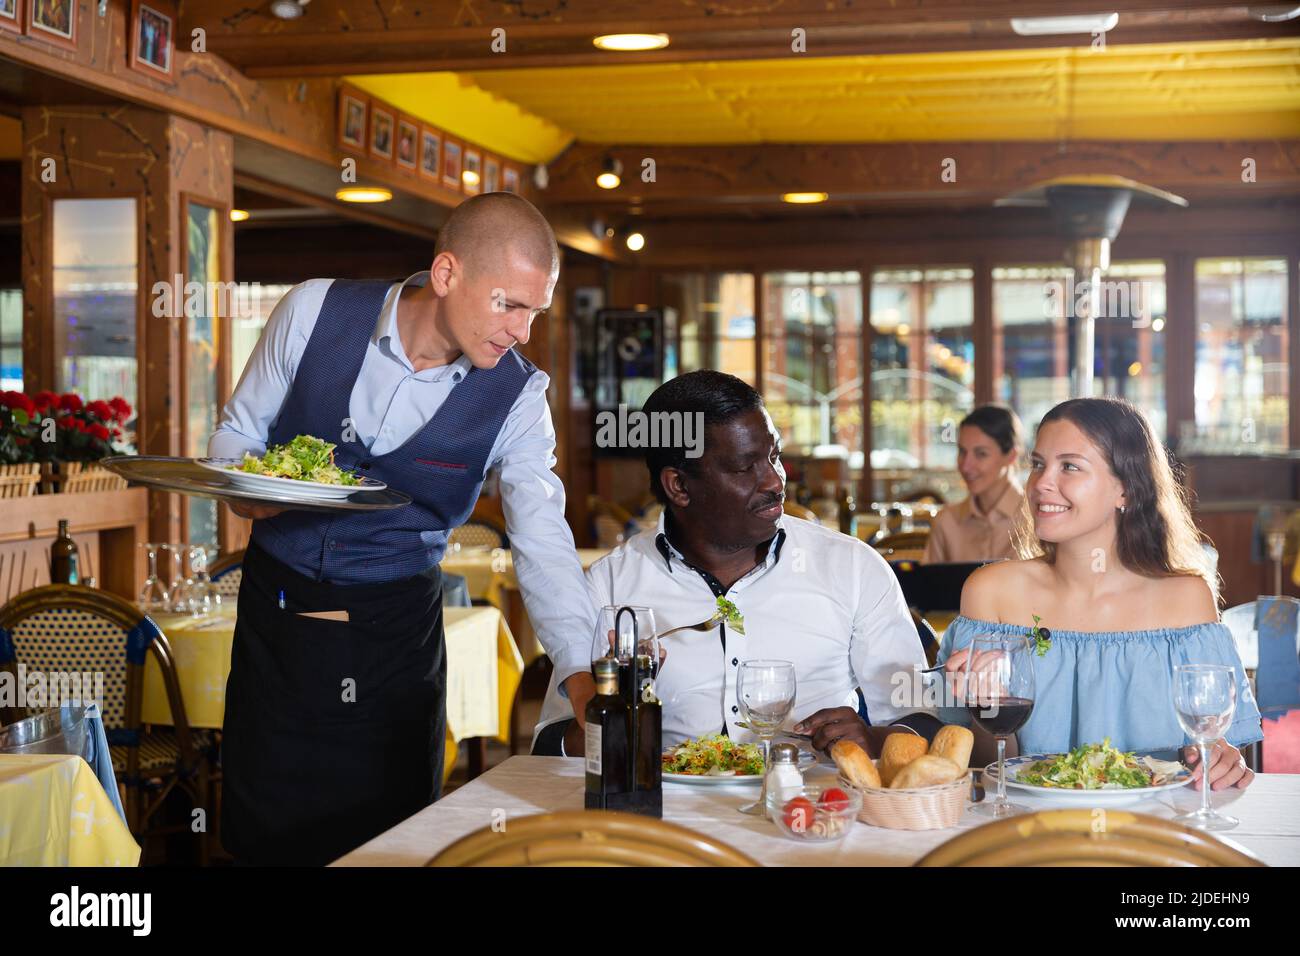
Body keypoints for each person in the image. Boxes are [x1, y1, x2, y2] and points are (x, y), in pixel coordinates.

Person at [211, 192, 596, 864]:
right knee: (260, 834)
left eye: (536, 310)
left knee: (389, 840)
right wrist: (247, 490)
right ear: (447, 275)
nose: (523, 331)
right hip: (278, 622)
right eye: (510, 303)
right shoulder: (313, 310)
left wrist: (581, 670)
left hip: (393, 639)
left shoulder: (519, 398)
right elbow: (236, 436)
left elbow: (542, 541)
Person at [533, 370, 939, 758]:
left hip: (813, 813)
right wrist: (605, 715)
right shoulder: (610, 587)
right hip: (665, 815)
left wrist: (872, 737)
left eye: (774, 456)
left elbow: (924, 717)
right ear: (679, 486)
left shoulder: (852, 567)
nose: (775, 481)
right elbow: (547, 747)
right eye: (746, 467)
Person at [939, 397, 1261, 790]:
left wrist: (1222, 760)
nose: (1041, 484)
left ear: (1125, 489)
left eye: (1069, 466)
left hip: (1156, 828)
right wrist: (983, 708)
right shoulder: (991, 593)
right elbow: (982, 764)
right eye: (1038, 464)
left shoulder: (1187, 599)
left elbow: (1210, 750)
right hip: (1029, 831)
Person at [922, 405, 1025, 563]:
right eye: (962, 452)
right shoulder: (947, 521)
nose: (965, 466)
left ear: (1011, 456)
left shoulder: (1036, 520)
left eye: (981, 454)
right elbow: (926, 586)